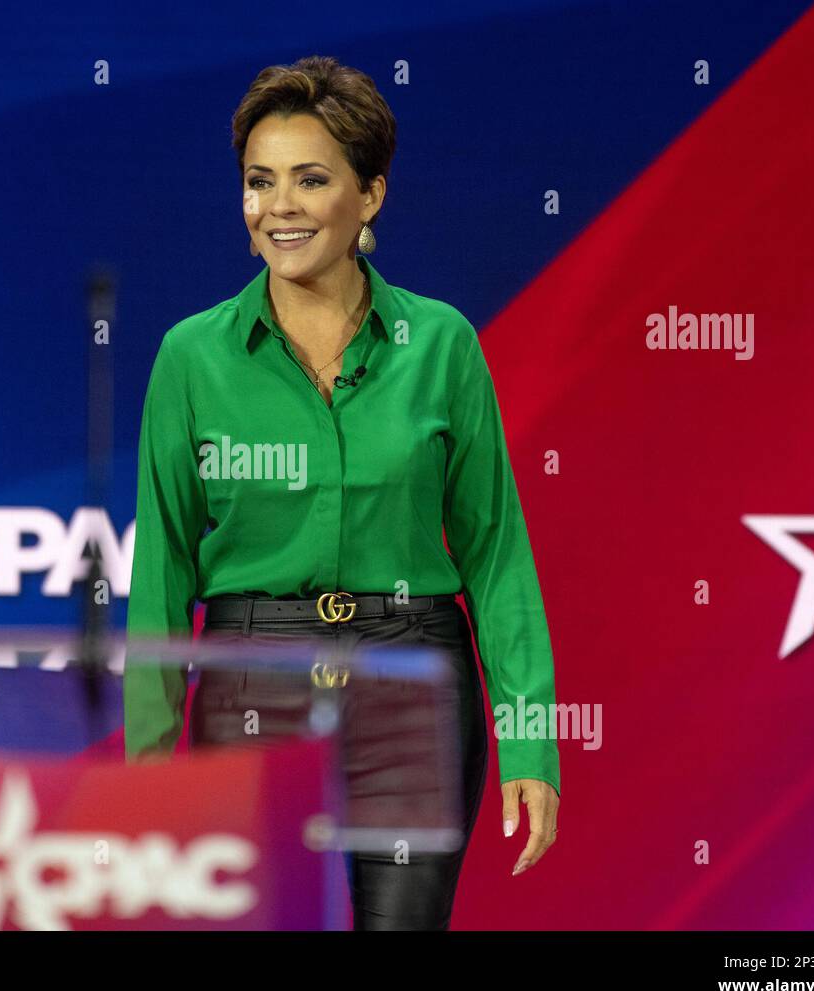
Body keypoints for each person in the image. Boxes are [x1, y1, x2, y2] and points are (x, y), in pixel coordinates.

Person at [123, 55, 559, 930]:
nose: (277, 206)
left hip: (414, 696)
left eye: (310, 180)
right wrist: (145, 768)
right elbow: (163, 573)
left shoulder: (442, 345)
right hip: (251, 690)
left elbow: (496, 552)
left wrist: (532, 739)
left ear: (369, 197)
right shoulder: (191, 357)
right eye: (259, 182)